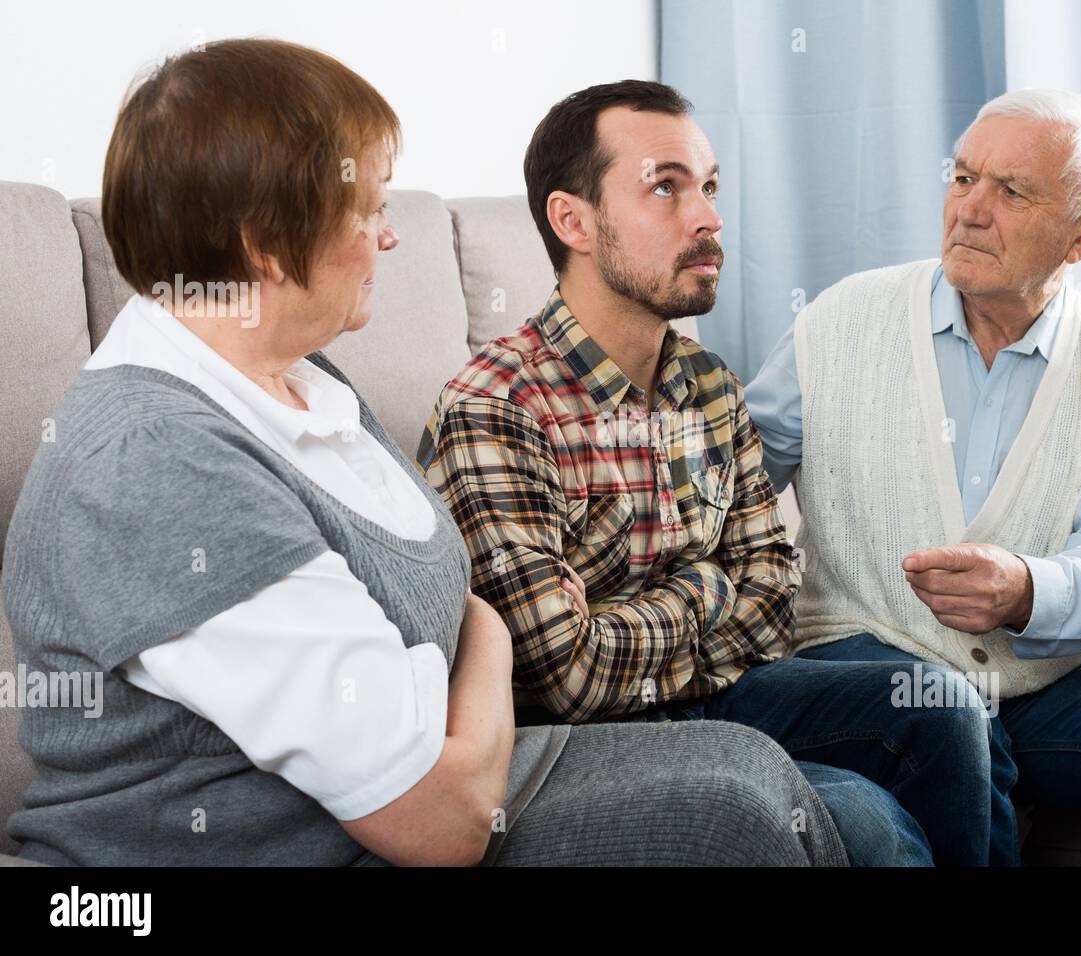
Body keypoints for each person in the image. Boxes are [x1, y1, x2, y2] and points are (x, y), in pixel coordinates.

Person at [1, 39, 848, 867]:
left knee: (800, 777)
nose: (389, 235)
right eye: (367, 208)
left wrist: (467, 661)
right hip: (305, 842)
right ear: (265, 240)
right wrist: (487, 631)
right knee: (744, 813)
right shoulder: (161, 463)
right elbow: (442, 823)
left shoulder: (299, 379)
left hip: (458, 764)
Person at [421, 81, 996, 866]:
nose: (709, 219)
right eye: (666, 187)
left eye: (710, 187)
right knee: (865, 821)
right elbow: (562, 674)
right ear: (572, 221)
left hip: (721, 695)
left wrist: (672, 617)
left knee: (945, 709)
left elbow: (771, 601)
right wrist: (705, 591)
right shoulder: (497, 407)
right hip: (583, 741)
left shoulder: (710, 384)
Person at [746, 88, 1081, 865]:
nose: (970, 210)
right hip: (862, 654)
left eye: (1011, 191)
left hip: (1040, 681)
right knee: (949, 713)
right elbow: (727, 489)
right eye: (962, 177)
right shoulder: (839, 323)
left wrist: (1026, 591)